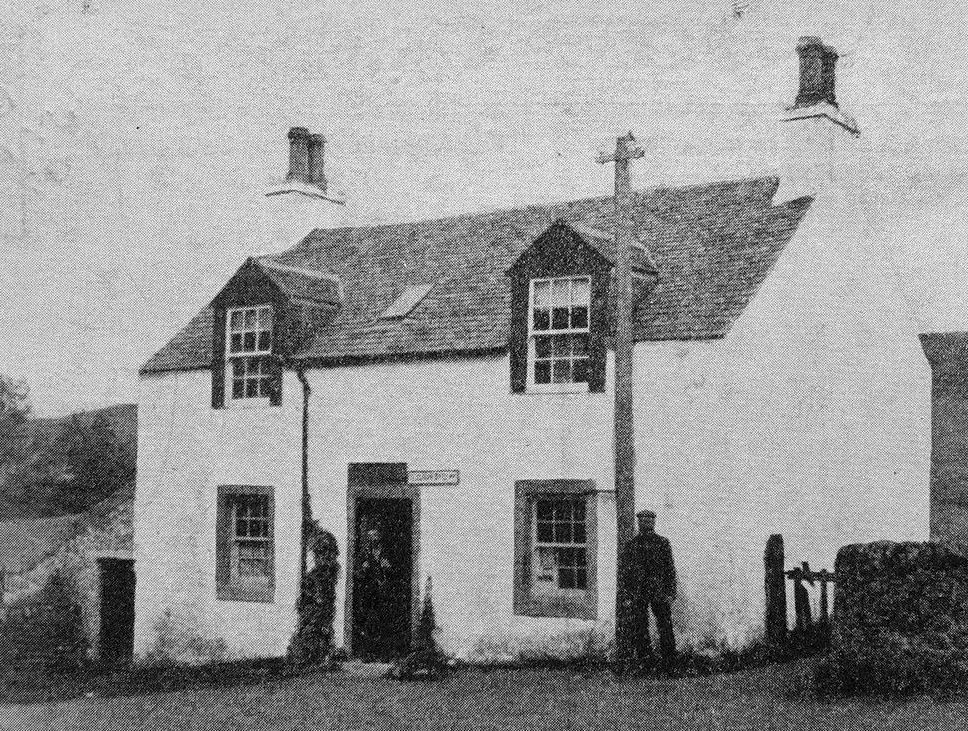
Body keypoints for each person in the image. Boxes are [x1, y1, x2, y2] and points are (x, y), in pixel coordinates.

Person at [626, 509, 677, 673]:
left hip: (659, 590)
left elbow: (670, 569)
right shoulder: (632, 544)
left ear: (653, 523)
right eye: (642, 521)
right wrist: (628, 595)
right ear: (638, 523)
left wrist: (670, 592)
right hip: (639, 591)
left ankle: (670, 662)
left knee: (665, 625)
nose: (645, 524)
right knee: (640, 627)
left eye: (649, 521)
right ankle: (645, 661)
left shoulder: (663, 543)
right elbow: (626, 572)